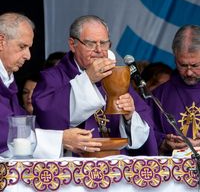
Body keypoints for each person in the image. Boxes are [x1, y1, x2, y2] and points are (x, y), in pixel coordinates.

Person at [32, 15, 158, 156]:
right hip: (75, 168)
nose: (99, 50)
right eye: (91, 43)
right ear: (72, 44)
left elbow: (144, 129)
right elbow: (48, 119)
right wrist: (88, 79)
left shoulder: (116, 77)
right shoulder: (52, 78)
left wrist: (129, 117)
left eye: (104, 43)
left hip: (115, 166)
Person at [0, 12, 102, 159]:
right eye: (22, 46)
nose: (28, 56)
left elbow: (19, 124)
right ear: (1, 41)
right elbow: (4, 130)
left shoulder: (6, 77)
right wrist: (60, 139)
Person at [149, 25, 200, 155]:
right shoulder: (159, 95)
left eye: (195, 65)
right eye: (182, 65)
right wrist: (164, 143)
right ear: (174, 55)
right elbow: (144, 133)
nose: (188, 72)